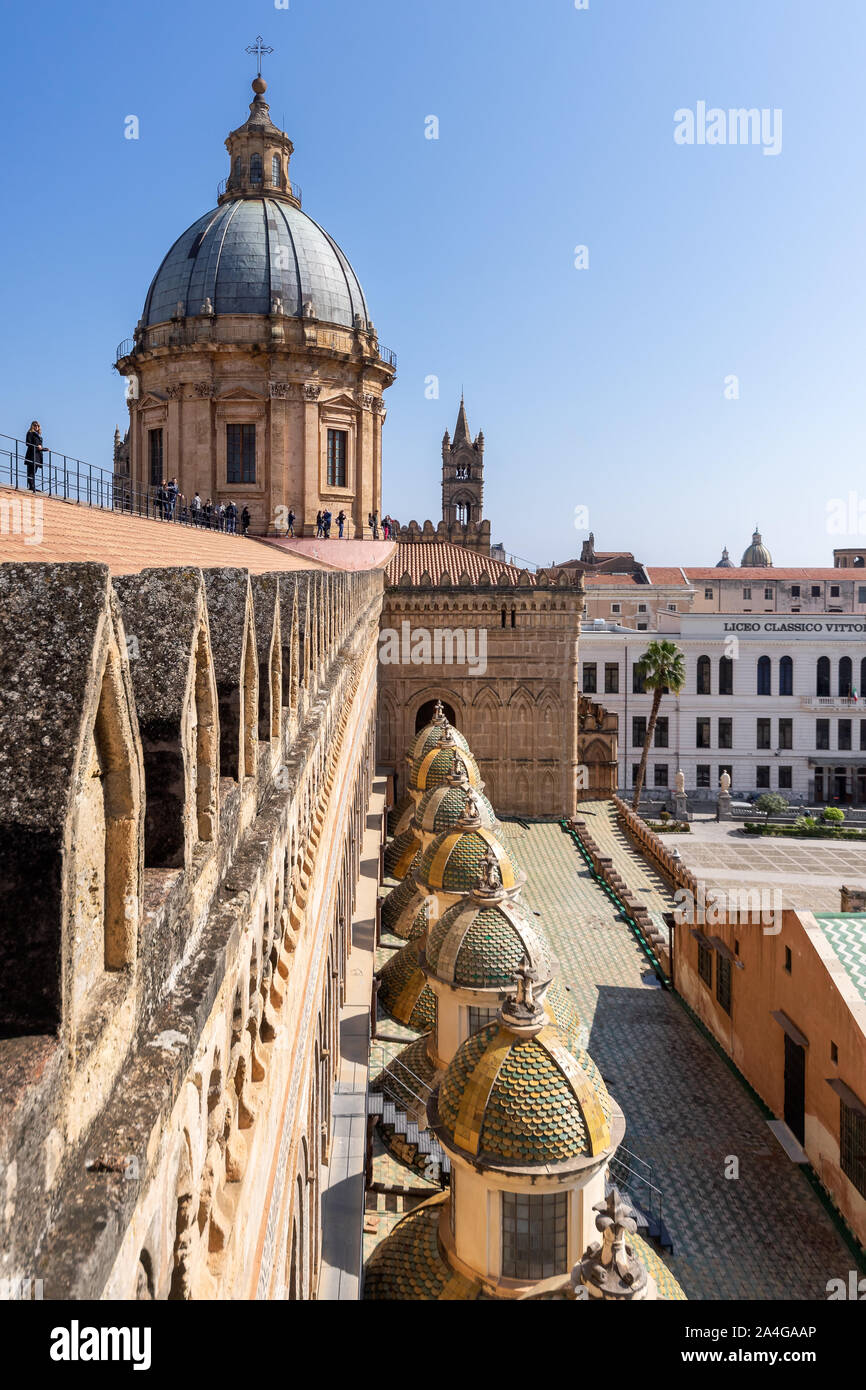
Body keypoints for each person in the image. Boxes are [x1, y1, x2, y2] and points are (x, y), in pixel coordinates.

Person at [24, 421, 44, 492]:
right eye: (35, 425)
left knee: (34, 472)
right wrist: (36, 446)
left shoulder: (39, 436)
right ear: (32, 426)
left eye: (38, 426)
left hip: (38, 456)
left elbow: (40, 447)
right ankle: (31, 486)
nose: (37, 427)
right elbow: (28, 443)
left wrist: (44, 449)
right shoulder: (30, 433)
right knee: (31, 472)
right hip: (31, 455)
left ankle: (33, 486)